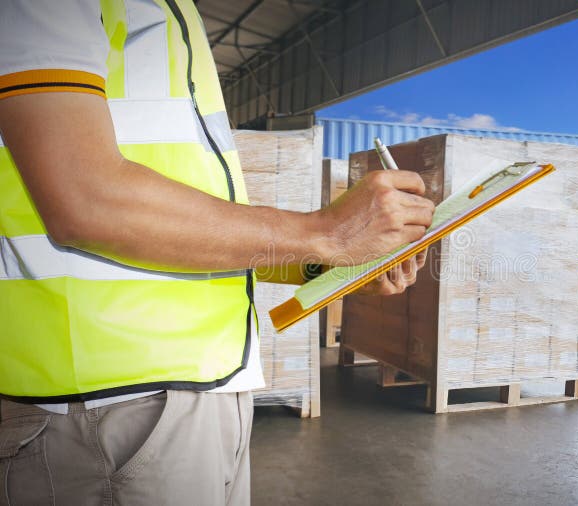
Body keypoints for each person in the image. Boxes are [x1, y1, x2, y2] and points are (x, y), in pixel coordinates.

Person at [0, 1, 434, 504]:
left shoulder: (171, 12)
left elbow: (196, 231)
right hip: (111, 404)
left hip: (201, 389)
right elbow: (84, 196)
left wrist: (335, 258)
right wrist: (327, 232)